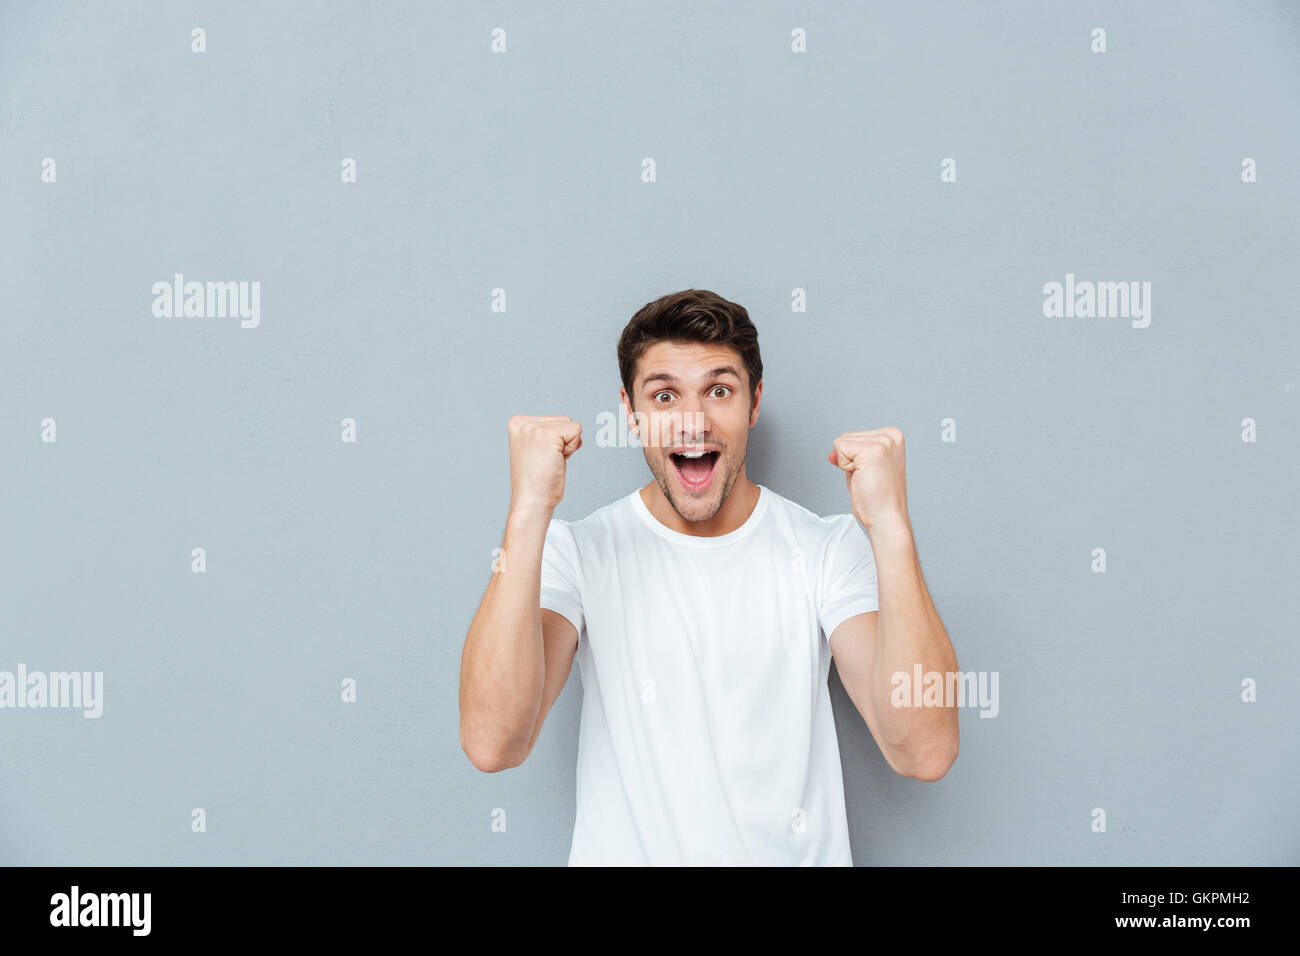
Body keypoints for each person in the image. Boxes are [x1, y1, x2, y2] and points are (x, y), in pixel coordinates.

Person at [459, 288, 959, 865]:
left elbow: (925, 751)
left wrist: (891, 526)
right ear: (631, 412)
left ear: (754, 403)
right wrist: (528, 512)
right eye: (665, 395)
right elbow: (493, 743)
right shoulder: (578, 552)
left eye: (718, 390)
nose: (692, 422)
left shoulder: (826, 550)